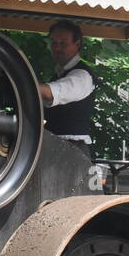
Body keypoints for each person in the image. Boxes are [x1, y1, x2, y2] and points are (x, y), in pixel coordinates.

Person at [38, 19, 95, 155]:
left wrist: (19, 81)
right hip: (59, 149)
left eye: (63, 43)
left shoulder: (81, 75)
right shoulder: (59, 73)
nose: (57, 48)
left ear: (77, 44)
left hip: (72, 153)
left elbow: (50, 93)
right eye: (54, 42)